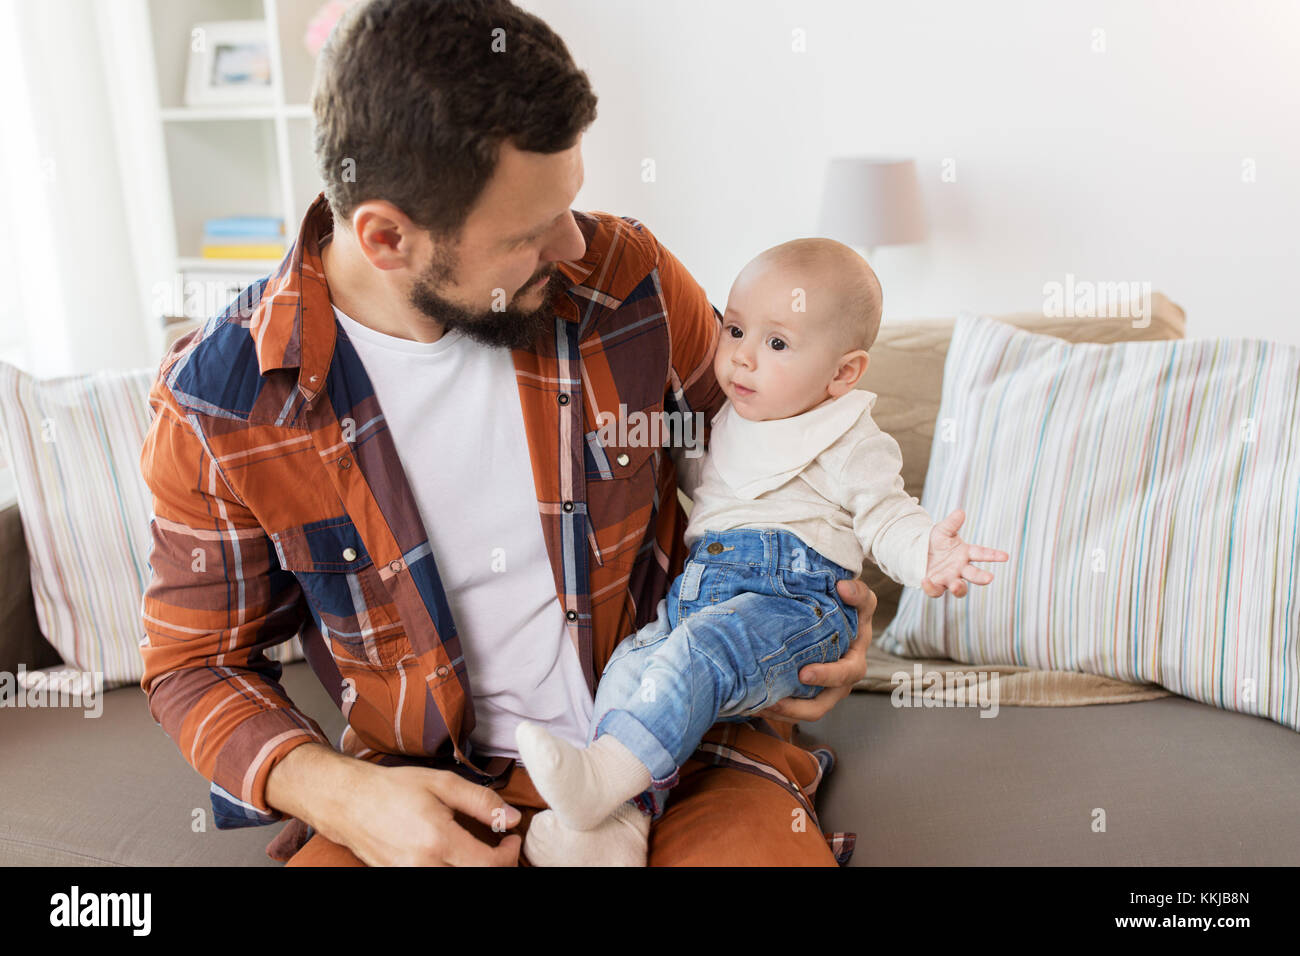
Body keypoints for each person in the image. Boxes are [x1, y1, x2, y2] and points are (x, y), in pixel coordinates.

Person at [138, 0, 877, 867]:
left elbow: (784, 451)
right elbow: (195, 663)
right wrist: (341, 795)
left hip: (689, 749)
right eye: (528, 234)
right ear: (386, 237)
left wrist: (830, 618)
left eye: (568, 201)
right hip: (426, 781)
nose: (573, 242)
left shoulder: (622, 281)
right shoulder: (220, 401)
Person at [514, 239, 1010, 864]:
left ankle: (601, 782)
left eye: (776, 344)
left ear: (842, 373)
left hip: (797, 601)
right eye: (736, 329)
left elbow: (886, 516)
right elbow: (686, 470)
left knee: (702, 652)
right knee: (636, 663)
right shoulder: (724, 421)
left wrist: (928, 553)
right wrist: (638, 433)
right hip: (701, 594)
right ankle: (616, 824)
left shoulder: (850, 436)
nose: (743, 357)